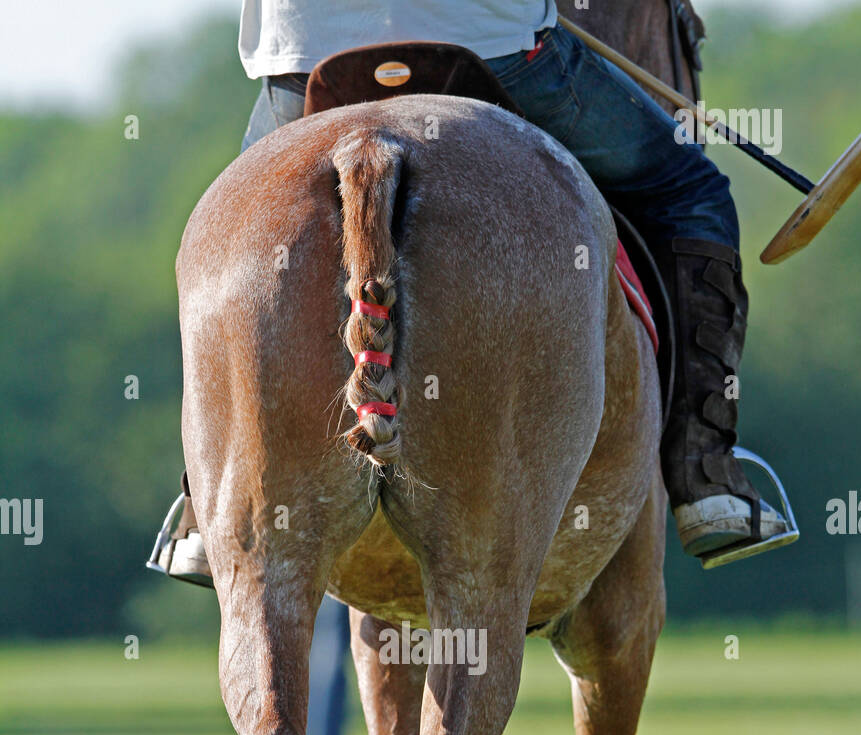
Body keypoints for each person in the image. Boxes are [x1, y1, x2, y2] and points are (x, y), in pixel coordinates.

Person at [148, 0, 793, 585]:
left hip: (303, 57)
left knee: (229, 236)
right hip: (496, 46)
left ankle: (206, 506)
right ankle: (705, 476)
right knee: (691, 192)